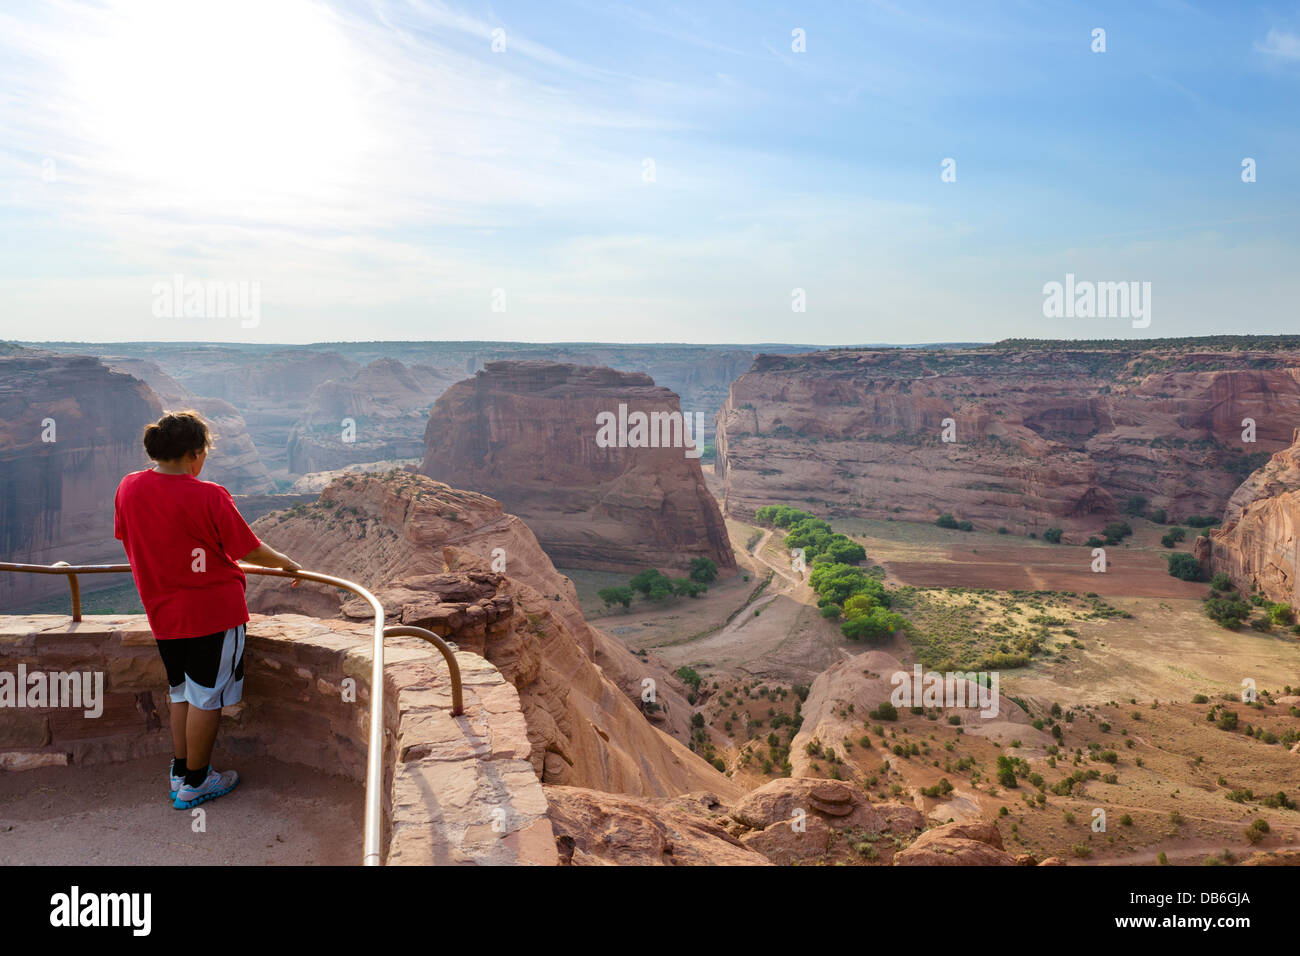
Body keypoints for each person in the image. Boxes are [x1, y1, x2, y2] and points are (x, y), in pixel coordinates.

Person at [113, 410, 300, 810]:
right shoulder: (209, 495)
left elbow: (129, 534)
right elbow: (247, 549)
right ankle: (198, 783)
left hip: (162, 612)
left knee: (181, 691)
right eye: (204, 454)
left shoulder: (129, 487)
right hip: (212, 614)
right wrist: (287, 562)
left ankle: (181, 771)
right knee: (206, 697)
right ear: (194, 453)